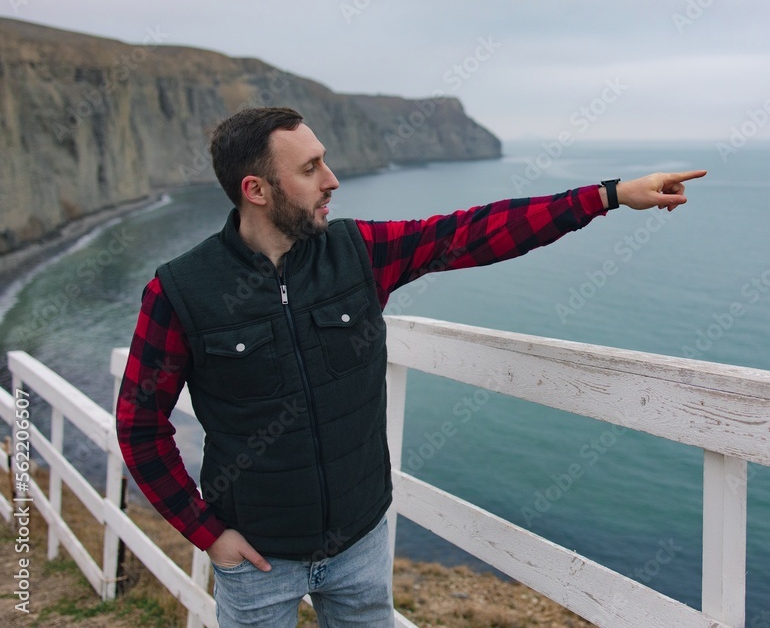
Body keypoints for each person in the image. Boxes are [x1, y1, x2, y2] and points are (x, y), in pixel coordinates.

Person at [115, 106, 705, 627]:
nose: (331, 180)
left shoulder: (357, 254)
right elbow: (139, 427)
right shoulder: (181, 292)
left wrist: (607, 195)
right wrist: (208, 534)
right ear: (257, 189)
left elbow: (475, 233)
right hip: (257, 559)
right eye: (309, 169)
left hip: (361, 542)